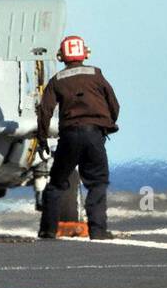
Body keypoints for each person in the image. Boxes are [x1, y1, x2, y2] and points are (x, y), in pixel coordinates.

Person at [36, 34, 120, 241]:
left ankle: (47, 231)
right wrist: (107, 125)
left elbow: (45, 111)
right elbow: (114, 104)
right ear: (85, 53)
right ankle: (98, 231)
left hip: (70, 136)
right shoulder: (96, 74)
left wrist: (42, 139)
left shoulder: (57, 80)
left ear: (61, 57)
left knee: (57, 182)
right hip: (94, 134)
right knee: (97, 182)